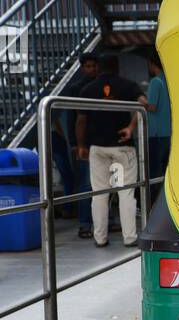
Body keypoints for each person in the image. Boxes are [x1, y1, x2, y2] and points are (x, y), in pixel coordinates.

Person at [75, 54, 144, 248]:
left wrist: (80, 145)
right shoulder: (128, 86)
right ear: (118, 67)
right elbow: (143, 104)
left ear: (98, 68)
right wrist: (130, 127)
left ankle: (100, 238)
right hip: (122, 147)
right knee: (126, 193)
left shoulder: (87, 89)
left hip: (98, 149)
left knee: (99, 193)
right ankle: (129, 237)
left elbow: (81, 120)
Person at [58, 52, 98, 237]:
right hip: (84, 143)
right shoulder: (76, 88)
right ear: (82, 68)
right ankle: (84, 223)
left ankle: (106, 221)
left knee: (105, 183)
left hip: (100, 141)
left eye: (93, 65)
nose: (91, 69)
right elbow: (72, 118)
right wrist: (74, 143)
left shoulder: (100, 85)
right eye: (88, 66)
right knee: (85, 184)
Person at [144, 51, 171, 202]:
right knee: (166, 173)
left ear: (152, 64)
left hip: (156, 134)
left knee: (154, 174)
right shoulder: (169, 81)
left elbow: (152, 107)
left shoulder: (156, 82)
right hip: (169, 134)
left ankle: (153, 204)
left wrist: (141, 102)